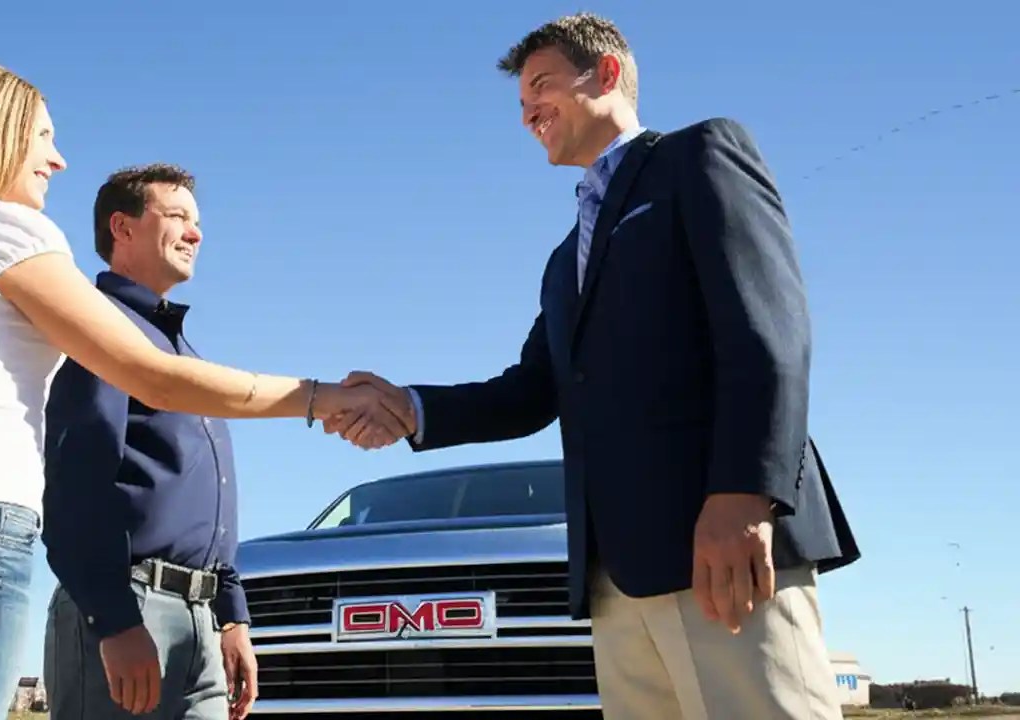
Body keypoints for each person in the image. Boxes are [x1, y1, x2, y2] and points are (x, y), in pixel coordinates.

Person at [326, 12, 861, 720]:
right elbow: (530, 392)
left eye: (541, 87)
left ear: (606, 74)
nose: (528, 114)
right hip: (615, 578)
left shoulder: (698, 157)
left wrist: (743, 494)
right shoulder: (562, 260)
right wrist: (409, 407)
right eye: (519, 104)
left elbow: (769, 330)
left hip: (720, 546)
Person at [0, 61, 409, 720]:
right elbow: (151, 377)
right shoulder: (3, 227)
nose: (57, 159)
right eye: (42, 136)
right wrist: (321, 396)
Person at [42, 164, 256, 719]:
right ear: (123, 227)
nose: (196, 233)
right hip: (131, 610)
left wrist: (231, 617)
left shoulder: (181, 354)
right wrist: (114, 620)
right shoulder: (100, 332)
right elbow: (72, 486)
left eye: (198, 221)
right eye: (179, 217)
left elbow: (210, 501)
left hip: (202, 624)